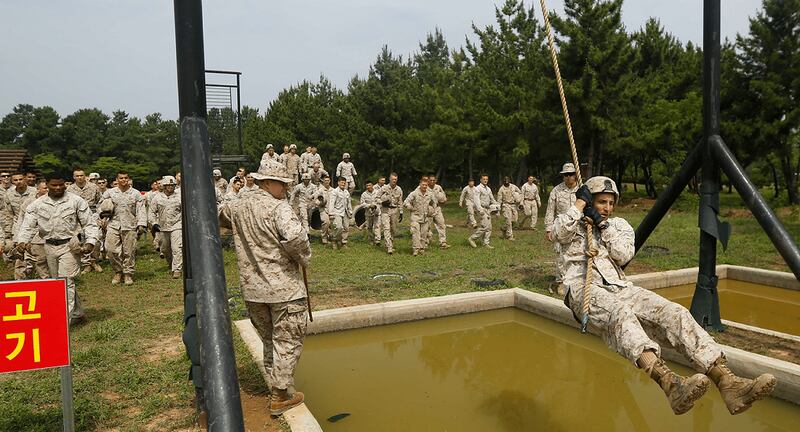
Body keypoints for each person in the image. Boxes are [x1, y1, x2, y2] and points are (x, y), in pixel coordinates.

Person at [554, 176, 776, 415]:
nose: (607, 208)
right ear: (589, 201)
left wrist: (602, 225)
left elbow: (623, 255)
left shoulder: (618, 226)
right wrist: (578, 207)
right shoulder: (572, 222)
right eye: (601, 202)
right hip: (582, 289)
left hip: (620, 288)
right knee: (621, 315)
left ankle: (728, 383)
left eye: (611, 202)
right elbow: (556, 233)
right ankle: (670, 384)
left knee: (675, 313)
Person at [218, 158, 310, 415]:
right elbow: (296, 237)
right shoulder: (278, 207)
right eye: (282, 184)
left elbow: (218, 214)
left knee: (270, 339)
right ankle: (280, 395)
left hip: (253, 290)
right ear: (268, 182)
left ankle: (277, 384)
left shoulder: (236, 206)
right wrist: (301, 257)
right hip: (284, 289)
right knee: (288, 340)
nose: (285, 189)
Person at [16, 177, 99, 325]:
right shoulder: (38, 204)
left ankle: (63, 322)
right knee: (59, 283)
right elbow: (27, 225)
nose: (58, 188)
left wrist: (91, 242)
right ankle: (78, 313)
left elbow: (89, 223)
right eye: (54, 185)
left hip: (69, 245)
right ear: (47, 185)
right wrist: (22, 240)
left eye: (61, 185)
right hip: (48, 245)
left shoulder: (76, 201)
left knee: (66, 281)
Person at [100, 171, 147, 285]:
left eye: (125, 178)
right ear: (117, 179)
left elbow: (141, 209)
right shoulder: (110, 193)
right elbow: (100, 206)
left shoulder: (135, 193)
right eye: (121, 178)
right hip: (113, 224)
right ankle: (118, 271)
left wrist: (141, 224)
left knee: (129, 251)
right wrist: (102, 218)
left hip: (130, 224)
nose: (123, 180)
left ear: (128, 179)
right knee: (110, 249)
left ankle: (128, 273)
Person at [546, 163, 580, 288]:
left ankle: (575, 282)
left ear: (575, 175)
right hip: (561, 227)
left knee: (577, 255)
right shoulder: (557, 190)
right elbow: (550, 210)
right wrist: (549, 229)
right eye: (565, 175)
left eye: (570, 174)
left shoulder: (582, 189)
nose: (568, 177)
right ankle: (561, 282)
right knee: (561, 256)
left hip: (578, 227)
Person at [68, 169, 104, 274]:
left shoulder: (94, 187)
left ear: (85, 176)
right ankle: (86, 264)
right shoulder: (69, 189)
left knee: (96, 238)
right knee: (81, 239)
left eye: (81, 175)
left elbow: (99, 201)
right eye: (77, 176)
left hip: (92, 214)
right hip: (77, 216)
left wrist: (99, 215)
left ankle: (95, 261)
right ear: (74, 177)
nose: (80, 177)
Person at [15, 179, 50, 279]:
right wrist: (19, 238)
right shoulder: (29, 202)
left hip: (45, 235)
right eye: (45, 188)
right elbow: (21, 220)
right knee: (23, 260)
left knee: (43, 260)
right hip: (30, 234)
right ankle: (20, 281)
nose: (47, 190)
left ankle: (45, 280)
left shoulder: (54, 200)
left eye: (48, 188)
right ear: (37, 189)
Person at [150, 175, 183, 279]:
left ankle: (177, 269)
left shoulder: (180, 197)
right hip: (162, 227)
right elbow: (151, 212)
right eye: (168, 185)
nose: (170, 187)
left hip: (177, 225)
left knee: (176, 248)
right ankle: (170, 263)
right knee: (165, 249)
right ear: (164, 186)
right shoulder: (157, 198)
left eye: (172, 185)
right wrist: (153, 223)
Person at [3, 173, 34, 279]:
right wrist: (8, 232)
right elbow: (9, 214)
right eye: (15, 180)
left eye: (21, 179)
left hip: (34, 226)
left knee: (35, 252)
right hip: (18, 226)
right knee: (19, 252)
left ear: (25, 179)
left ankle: (37, 275)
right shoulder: (8, 194)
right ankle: (20, 278)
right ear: (12, 182)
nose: (19, 181)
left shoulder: (34, 192)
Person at [404, 178, 436, 256]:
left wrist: (432, 210)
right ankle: (415, 249)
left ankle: (421, 249)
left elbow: (434, 202)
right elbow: (406, 202)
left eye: (426, 185)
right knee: (415, 233)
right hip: (415, 217)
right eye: (423, 185)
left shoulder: (430, 194)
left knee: (424, 234)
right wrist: (410, 207)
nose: (424, 186)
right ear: (420, 184)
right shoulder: (414, 193)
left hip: (425, 217)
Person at [468, 174, 498, 249]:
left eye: (486, 179)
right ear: (481, 180)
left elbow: (492, 198)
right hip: (481, 209)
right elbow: (476, 200)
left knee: (489, 227)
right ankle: (472, 238)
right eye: (484, 179)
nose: (485, 180)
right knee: (484, 226)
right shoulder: (478, 188)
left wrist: (497, 206)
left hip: (488, 209)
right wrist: (480, 209)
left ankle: (485, 243)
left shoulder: (488, 189)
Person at [378, 173, 403, 255]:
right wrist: (382, 202)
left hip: (394, 210)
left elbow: (400, 201)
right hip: (385, 210)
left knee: (393, 229)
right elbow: (376, 197)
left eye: (395, 179)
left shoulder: (399, 189)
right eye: (393, 179)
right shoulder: (384, 188)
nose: (394, 181)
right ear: (389, 179)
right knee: (386, 228)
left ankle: (390, 243)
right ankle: (389, 247)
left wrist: (401, 212)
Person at [327, 177, 352, 250]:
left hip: (345, 212)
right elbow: (331, 203)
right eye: (341, 182)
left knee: (346, 228)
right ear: (338, 183)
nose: (343, 184)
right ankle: (334, 240)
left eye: (344, 183)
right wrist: (331, 213)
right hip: (337, 212)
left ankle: (344, 243)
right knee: (338, 227)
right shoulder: (335, 191)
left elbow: (348, 203)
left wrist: (350, 212)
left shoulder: (346, 192)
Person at [426, 176, 450, 249]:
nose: (432, 182)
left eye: (434, 180)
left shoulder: (438, 187)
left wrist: (443, 201)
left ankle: (443, 242)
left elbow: (444, 197)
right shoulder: (424, 187)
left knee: (441, 224)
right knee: (426, 227)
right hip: (428, 209)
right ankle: (425, 243)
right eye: (431, 180)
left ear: (435, 180)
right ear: (428, 181)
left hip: (437, 208)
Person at [497, 176, 522, 241]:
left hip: (513, 205)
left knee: (515, 220)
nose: (506, 181)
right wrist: (498, 210)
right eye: (505, 180)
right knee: (508, 221)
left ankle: (504, 228)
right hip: (506, 205)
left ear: (510, 180)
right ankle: (510, 236)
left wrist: (519, 200)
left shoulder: (513, 186)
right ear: (503, 181)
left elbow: (520, 193)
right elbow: (499, 200)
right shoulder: (501, 189)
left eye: (507, 179)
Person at [359, 181, 382, 245]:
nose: (368, 187)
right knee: (369, 227)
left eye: (369, 185)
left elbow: (380, 201)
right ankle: (371, 240)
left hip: (377, 212)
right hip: (368, 213)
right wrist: (369, 205)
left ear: (372, 185)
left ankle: (377, 240)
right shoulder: (364, 194)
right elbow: (362, 204)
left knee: (377, 226)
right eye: (367, 186)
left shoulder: (377, 192)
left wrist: (376, 206)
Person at [313, 176, 333, 245]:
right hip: (323, 209)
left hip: (332, 210)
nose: (327, 181)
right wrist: (320, 202)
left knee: (333, 224)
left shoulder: (333, 190)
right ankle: (324, 239)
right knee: (326, 222)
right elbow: (316, 200)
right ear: (323, 181)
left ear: (330, 181)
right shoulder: (320, 190)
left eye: (328, 180)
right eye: (325, 180)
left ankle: (332, 237)